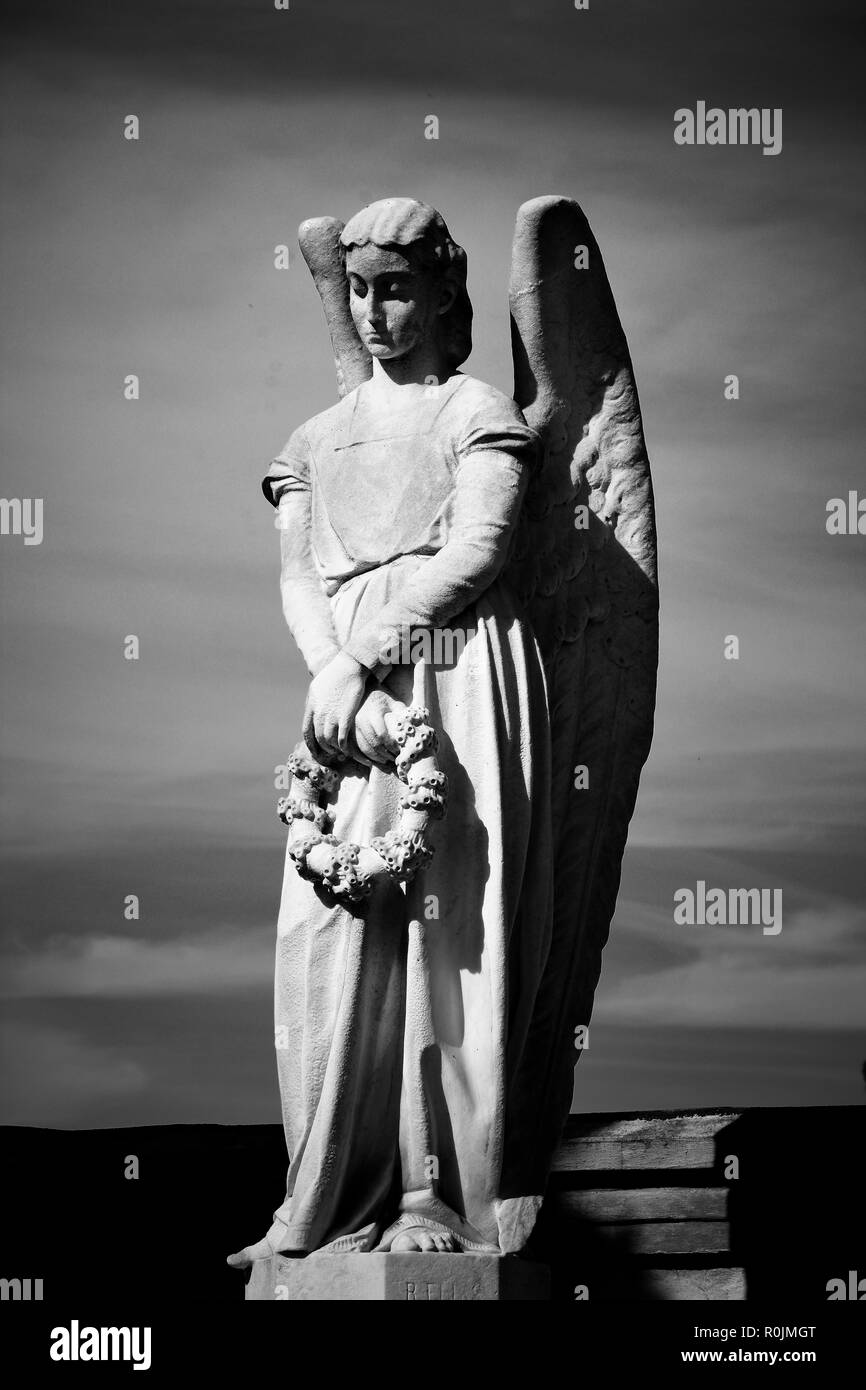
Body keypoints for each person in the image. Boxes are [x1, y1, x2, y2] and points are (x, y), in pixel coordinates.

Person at [228, 198, 553, 1266]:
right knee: (321, 939)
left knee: (447, 933)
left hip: (458, 667)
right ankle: (322, 1196)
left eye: (398, 286)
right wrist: (338, 668)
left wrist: (369, 654)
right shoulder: (314, 440)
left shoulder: (473, 410)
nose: (374, 310)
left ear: (442, 290)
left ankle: (436, 1196)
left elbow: (484, 547)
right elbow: (294, 574)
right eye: (359, 287)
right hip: (346, 687)